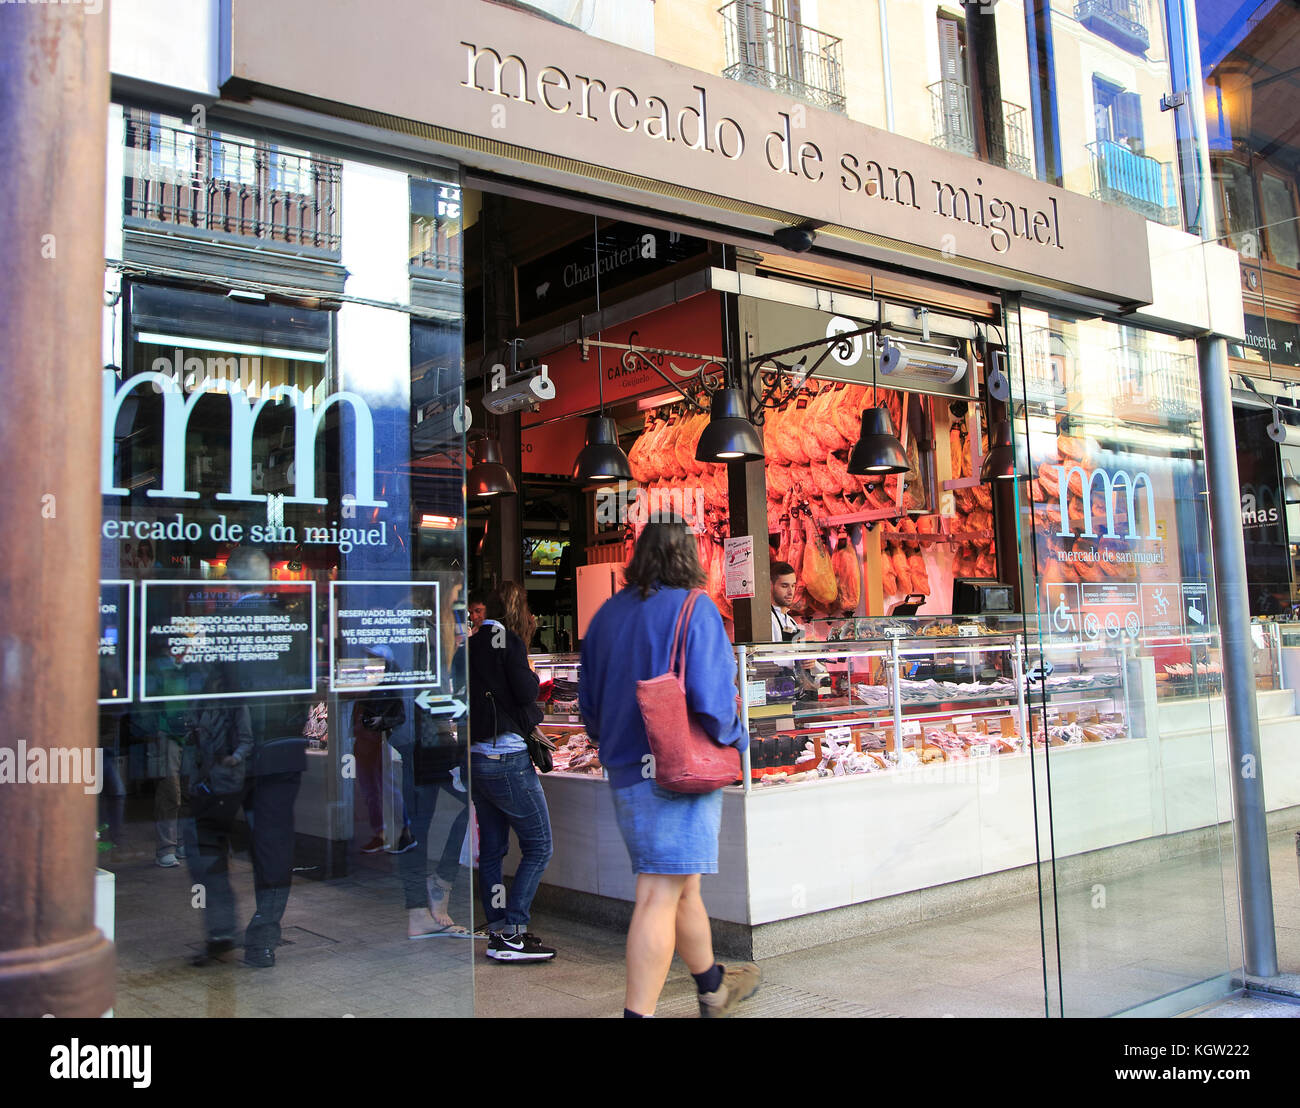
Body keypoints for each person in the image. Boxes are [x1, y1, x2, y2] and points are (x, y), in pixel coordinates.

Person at [579, 517, 760, 1018]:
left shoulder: (607, 614)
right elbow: (713, 699)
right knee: (659, 893)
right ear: (690, 556)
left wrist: (613, 740)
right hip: (675, 773)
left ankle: (713, 987)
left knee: (683, 887)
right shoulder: (694, 609)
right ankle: (639, 1014)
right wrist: (737, 740)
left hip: (624, 770)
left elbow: (587, 703)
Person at [467, 581, 556, 961]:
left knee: (492, 850)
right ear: (514, 608)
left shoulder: (470, 644)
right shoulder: (511, 643)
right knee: (539, 846)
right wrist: (533, 675)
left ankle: (498, 931)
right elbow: (524, 692)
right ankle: (514, 932)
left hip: (476, 756)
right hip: (507, 758)